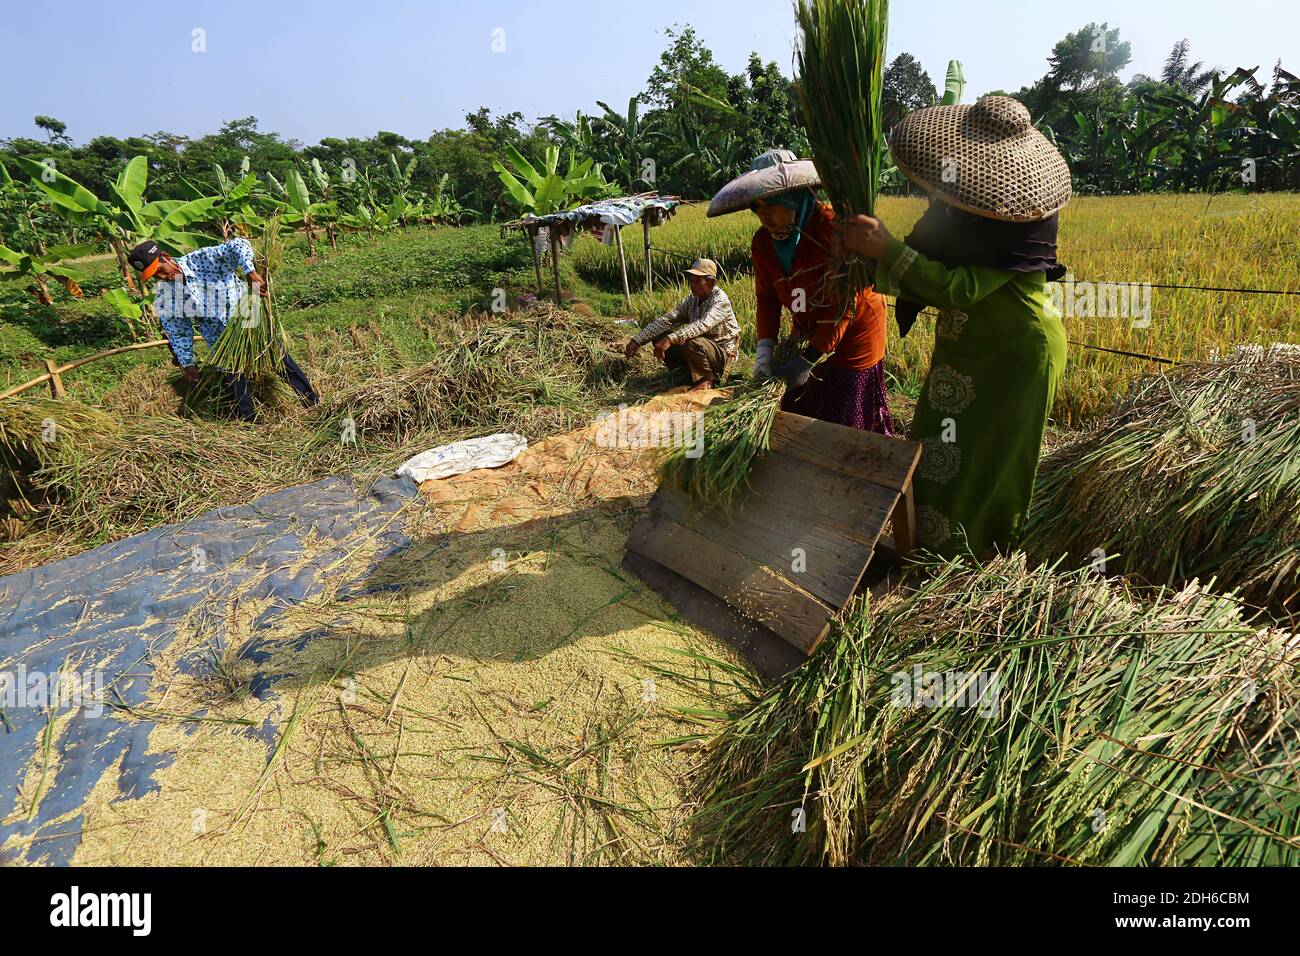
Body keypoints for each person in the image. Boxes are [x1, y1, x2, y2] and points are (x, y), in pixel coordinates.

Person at [834, 95, 1072, 558]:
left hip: (1017, 352)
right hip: (969, 348)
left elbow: (957, 288)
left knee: (990, 459)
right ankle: (928, 546)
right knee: (936, 440)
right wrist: (862, 259)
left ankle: (977, 559)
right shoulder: (958, 203)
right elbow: (924, 260)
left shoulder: (1020, 220)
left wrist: (884, 251)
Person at [707, 149, 893, 435]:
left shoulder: (834, 230)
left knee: (841, 421)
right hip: (806, 329)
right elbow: (767, 298)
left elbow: (843, 305)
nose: (763, 213)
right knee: (799, 409)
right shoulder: (763, 243)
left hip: (856, 329)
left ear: (793, 195)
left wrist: (809, 358)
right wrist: (764, 351)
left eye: (770, 202)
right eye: (756, 206)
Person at [126, 238, 319, 421]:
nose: (162, 277)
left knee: (279, 359)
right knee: (234, 380)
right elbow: (177, 328)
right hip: (218, 337)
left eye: (160, 270)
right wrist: (187, 363)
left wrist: (250, 272)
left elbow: (239, 244)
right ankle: (250, 423)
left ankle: (312, 403)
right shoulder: (167, 292)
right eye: (154, 276)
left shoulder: (201, 260)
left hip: (247, 319)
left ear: (166, 257)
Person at [623, 258, 739, 391]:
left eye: (697, 281)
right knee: (660, 337)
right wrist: (637, 340)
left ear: (712, 283)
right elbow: (668, 319)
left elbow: (702, 325)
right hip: (699, 352)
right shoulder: (692, 300)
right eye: (691, 280)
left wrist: (670, 339)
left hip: (722, 353)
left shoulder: (720, 301)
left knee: (693, 342)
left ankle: (707, 379)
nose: (692, 285)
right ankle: (684, 373)